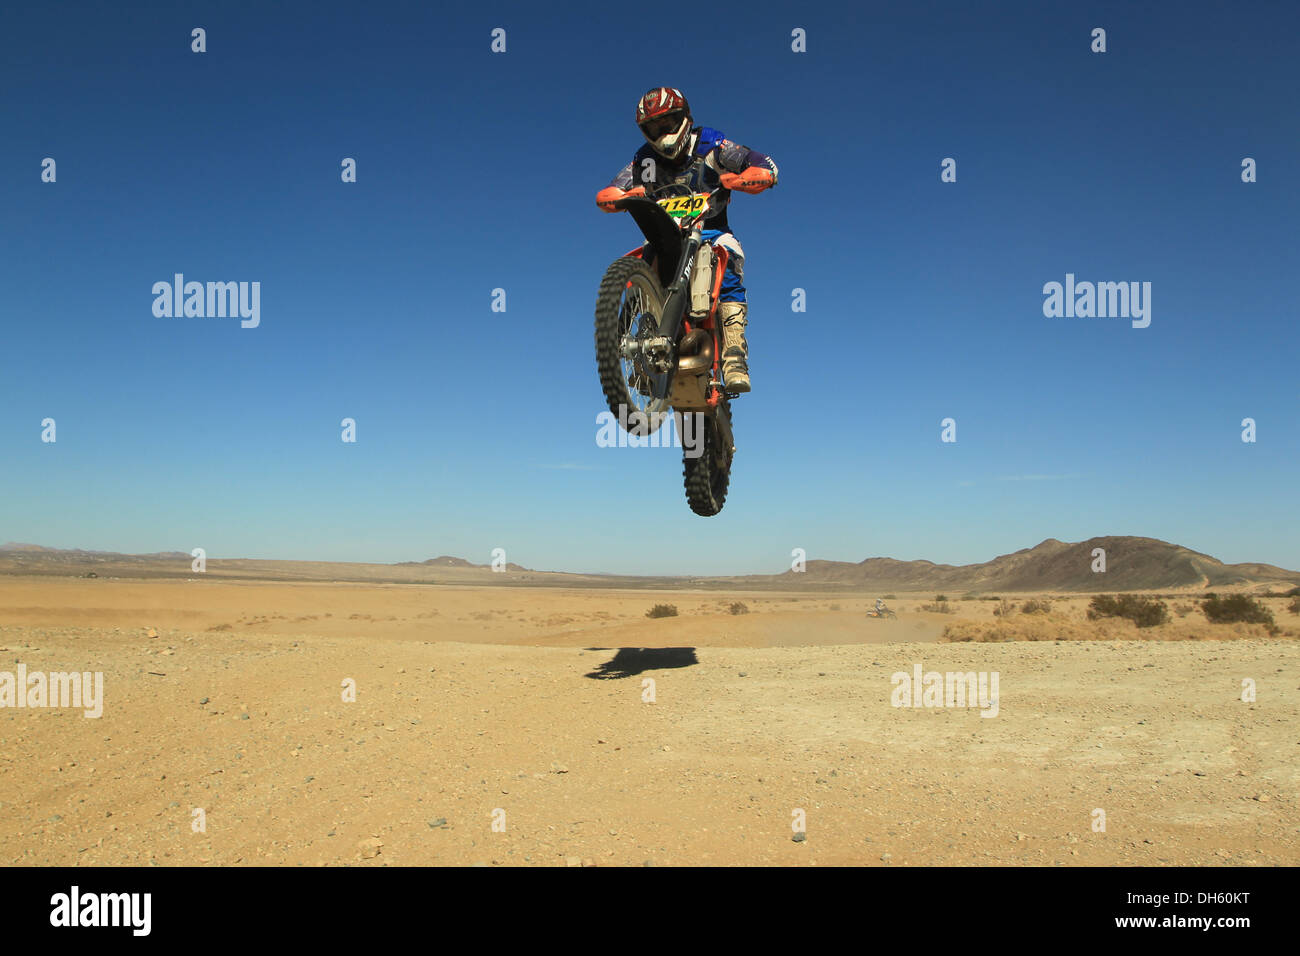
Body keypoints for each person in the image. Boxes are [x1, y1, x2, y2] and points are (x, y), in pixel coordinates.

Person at [596, 87, 777, 393]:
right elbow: (610, 191)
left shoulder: (710, 145)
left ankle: (734, 353)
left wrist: (746, 178)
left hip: (710, 229)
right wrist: (625, 195)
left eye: (668, 123)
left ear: (684, 119)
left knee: (727, 256)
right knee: (640, 261)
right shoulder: (645, 160)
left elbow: (761, 164)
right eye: (653, 128)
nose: (663, 133)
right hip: (667, 233)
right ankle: (622, 348)